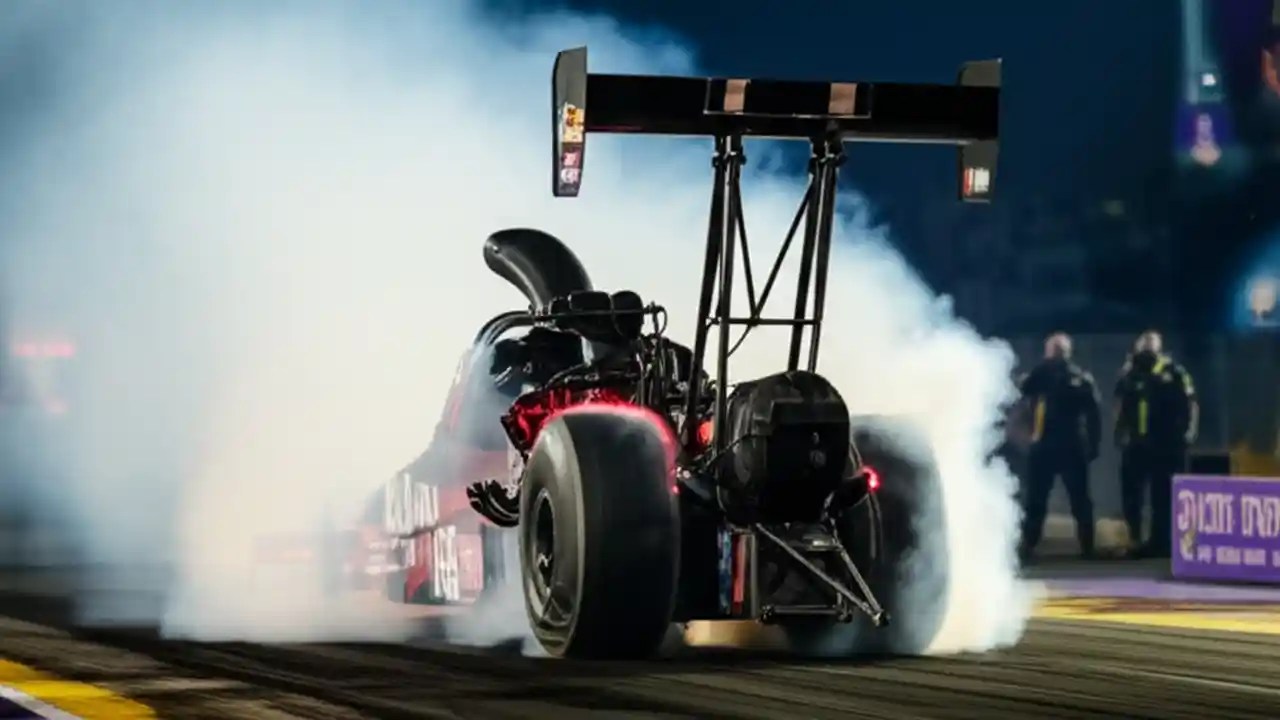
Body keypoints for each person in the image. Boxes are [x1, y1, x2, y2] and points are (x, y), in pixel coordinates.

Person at [1016, 333, 1101, 563]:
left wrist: (1093, 445)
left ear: (1068, 352)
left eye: (1059, 349)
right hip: (1043, 446)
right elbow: (1023, 392)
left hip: (1072, 447)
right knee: (1036, 500)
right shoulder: (1040, 375)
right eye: (1054, 349)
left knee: (1080, 500)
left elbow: (1094, 415)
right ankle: (1028, 545)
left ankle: (1088, 547)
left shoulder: (1080, 378)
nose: (1056, 353)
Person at [1113, 330, 1198, 558]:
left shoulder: (1174, 372)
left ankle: (1161, 542)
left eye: (1151, 345)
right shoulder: (1130, 373)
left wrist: (1188, 433)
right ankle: (1134, 539)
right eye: (1144, 345)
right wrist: (1119, 432)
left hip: (1165, 444)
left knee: (1162, 495)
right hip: (1135, 445)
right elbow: (1119, 404)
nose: (1147, 349)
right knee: (1132, 494)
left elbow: (1190, 404)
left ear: (1159, 348)